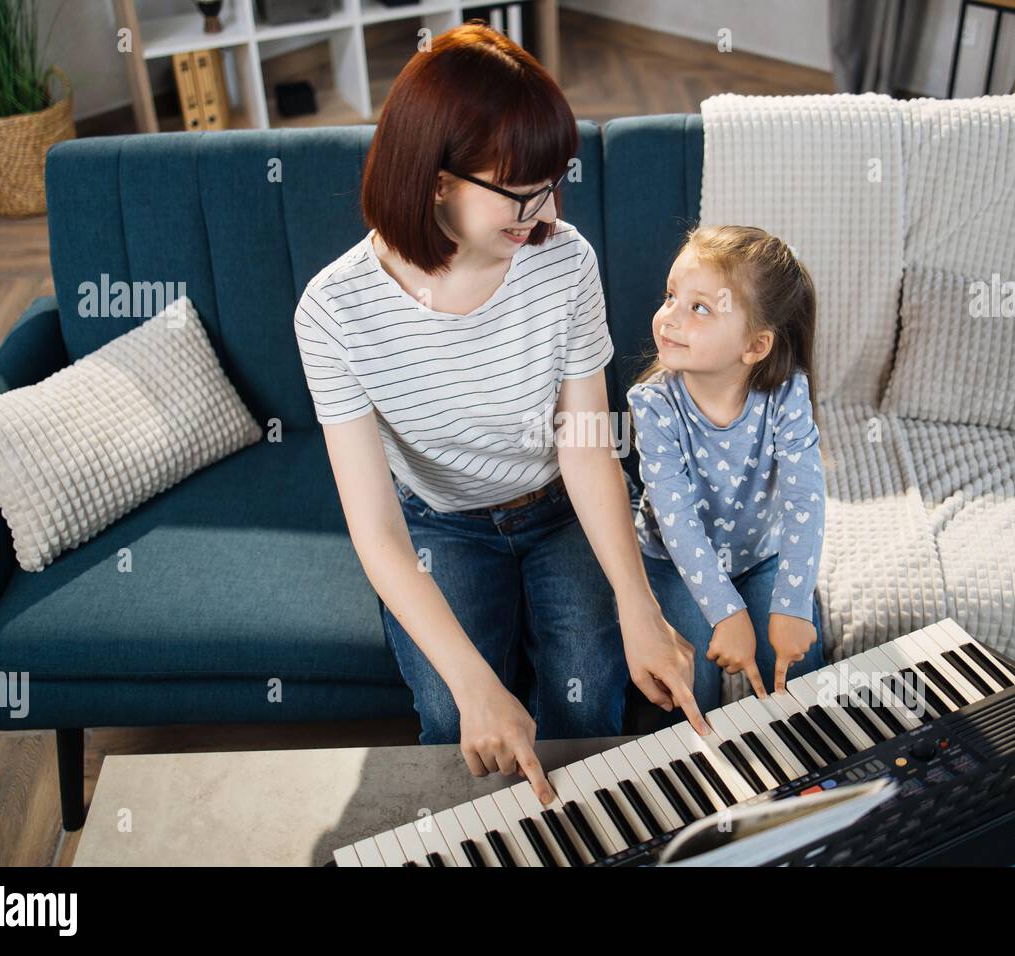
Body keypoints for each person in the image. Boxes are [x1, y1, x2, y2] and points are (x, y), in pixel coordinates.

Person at [292, 24, 708, 806]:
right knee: (459, 714)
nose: (543, 212)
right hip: (440, 525)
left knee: (587, 702)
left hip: (560, 511)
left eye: (553, 184)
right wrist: (478, 689)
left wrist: (638, 604)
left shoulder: (565, 259)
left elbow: (587, 449)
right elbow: (378, 532)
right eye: (520, 192)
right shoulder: (334, 309)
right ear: (436, 178)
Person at [628, 225, 826, 716]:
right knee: (688, 683)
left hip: (760, 554)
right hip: (672, 563)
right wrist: (726, 611)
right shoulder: (653, 406)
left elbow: (806, 502)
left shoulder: (785, 395)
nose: (669, 318)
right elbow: (677, 522)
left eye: (700, 308)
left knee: (801, 668)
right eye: (670, 296)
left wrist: (792, 605)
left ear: (755, 346)